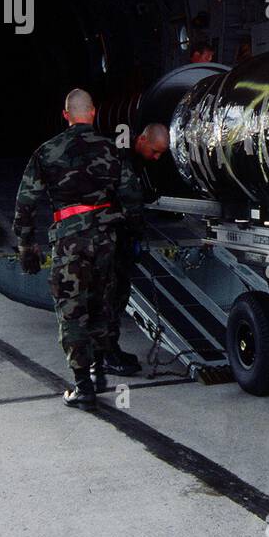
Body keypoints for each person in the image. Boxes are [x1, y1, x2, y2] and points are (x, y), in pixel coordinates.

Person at [13, 89, 139, 409]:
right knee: (101, 301)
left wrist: (27, 244)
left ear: (65, 114)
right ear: (94, 113)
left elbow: (26, 202)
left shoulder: (47, 151)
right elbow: (133, 198)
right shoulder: (114, 150)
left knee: (72, 308)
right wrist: (124, 233)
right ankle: (98, 367)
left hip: (69, 242)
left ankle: (83, 385)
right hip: (106, 240)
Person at [98, 123, 170, 377]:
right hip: (109, 239)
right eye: (155, 151)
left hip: (115, 237)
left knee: (116, 295)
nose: (157, 157)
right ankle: (105, 355)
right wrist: (137, 232)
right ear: (141, 140)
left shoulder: (131, 159)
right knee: (110, 295)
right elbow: (130, 204)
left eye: (161, 153)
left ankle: (109, 350)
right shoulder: (122, 159)